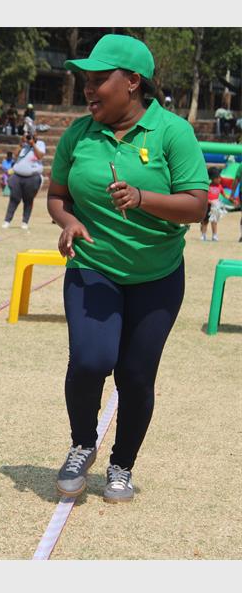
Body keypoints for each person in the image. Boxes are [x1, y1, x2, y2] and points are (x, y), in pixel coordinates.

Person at [48, 34, 208, 503]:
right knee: (91, 361)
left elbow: (197, 206)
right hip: (93, 268)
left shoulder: (172, 132)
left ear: (133, 82)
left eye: (100, 80)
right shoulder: (80, 133)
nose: (89, 89)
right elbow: (57, 195)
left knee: (136, 376)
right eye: (86, 80)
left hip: (156, 276)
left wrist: (142, 199)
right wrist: (69, 220)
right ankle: (82, 445)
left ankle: (121, 465)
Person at [2, 132, 46, 230]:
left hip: (32, 176)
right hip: (18, 175)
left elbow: (40, 156)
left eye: (33, 135)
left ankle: (25, 221)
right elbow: (15, 155)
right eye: (29, 135)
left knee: (28, 200)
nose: (30, 137)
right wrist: (21, 143)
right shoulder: (23, 145)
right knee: (14, 198)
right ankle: (7, 220)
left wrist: (33, 144)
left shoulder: (40, 144)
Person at [200, 167, 229, 241]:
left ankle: (214, 235)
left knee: (214, 221)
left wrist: (232, 199)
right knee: (205, 221)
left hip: (215, 208)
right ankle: (203, 235)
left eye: (220, 177)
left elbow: (225, 195)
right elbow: (204, 197)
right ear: (213, 178)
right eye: (218, 178)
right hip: (208, 206)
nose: (220, 179)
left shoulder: (220, 186)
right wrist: (210, 201)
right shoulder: (208, 186)